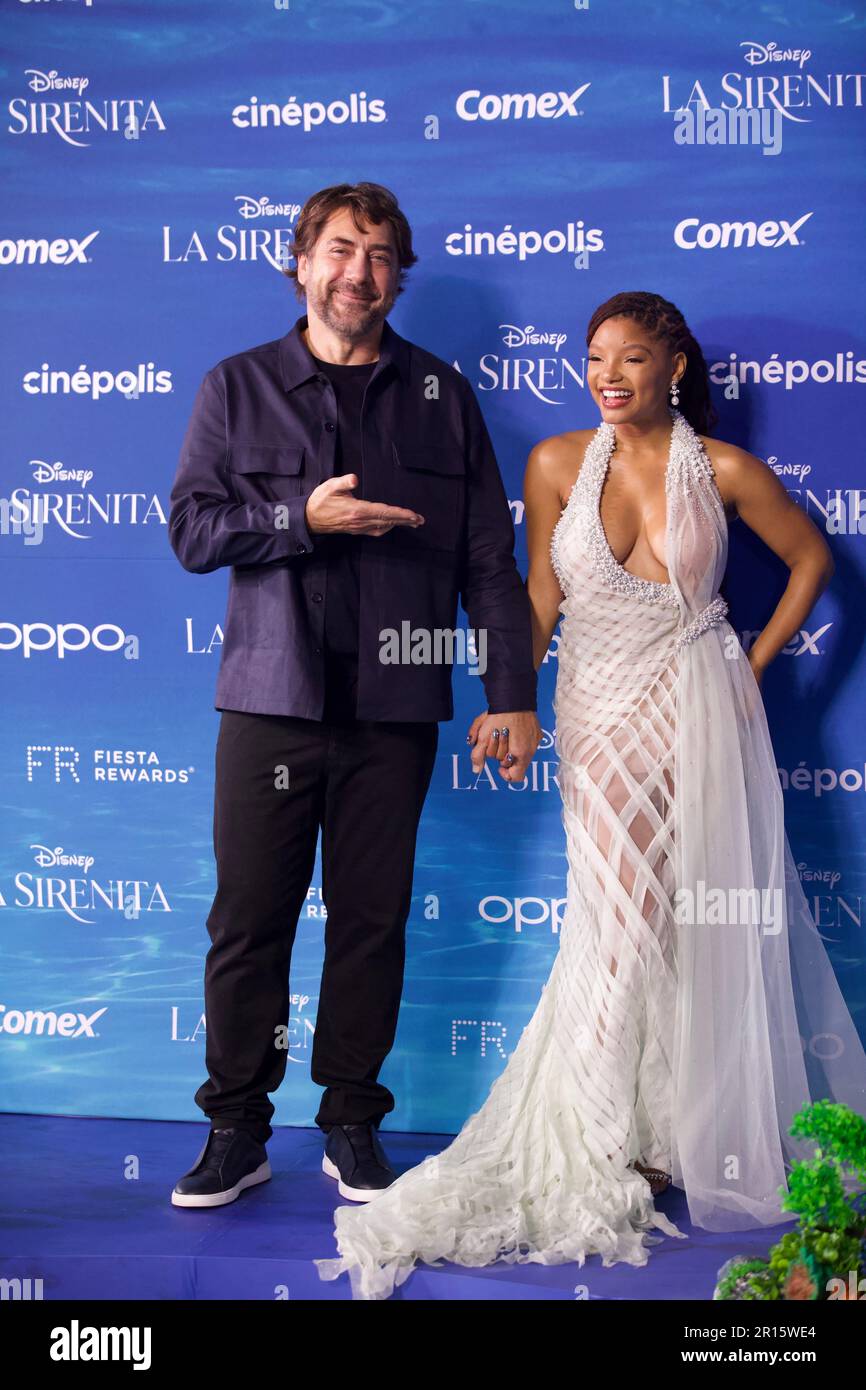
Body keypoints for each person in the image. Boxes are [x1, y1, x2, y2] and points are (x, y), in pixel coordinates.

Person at [314, 290, 866, 1299]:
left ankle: (663, 1135)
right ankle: (596, 1134)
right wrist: (508, 698)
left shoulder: (727, 472)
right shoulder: (556, 461)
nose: (608, 377)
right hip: (601, 712)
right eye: (594, 359)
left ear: (674, 369)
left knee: (686, 925)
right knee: (618, 919)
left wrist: (753, 661)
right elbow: (538, 594)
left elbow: (811, 560)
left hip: (702, 709)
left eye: (630, 360)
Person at [166, 181, 541, 1209]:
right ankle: (236, 1128)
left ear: (396, 278)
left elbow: (485, 561)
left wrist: (509, 689)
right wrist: (303, 517)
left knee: (371, 919)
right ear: (299, 261)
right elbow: (193, 531)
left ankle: (349, 1122)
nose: (357, 273)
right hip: (269, 700)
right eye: (339, 249)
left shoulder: (441, 395)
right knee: (248, 921)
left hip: (394, 707)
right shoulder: (234, 386)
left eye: (379, 257)